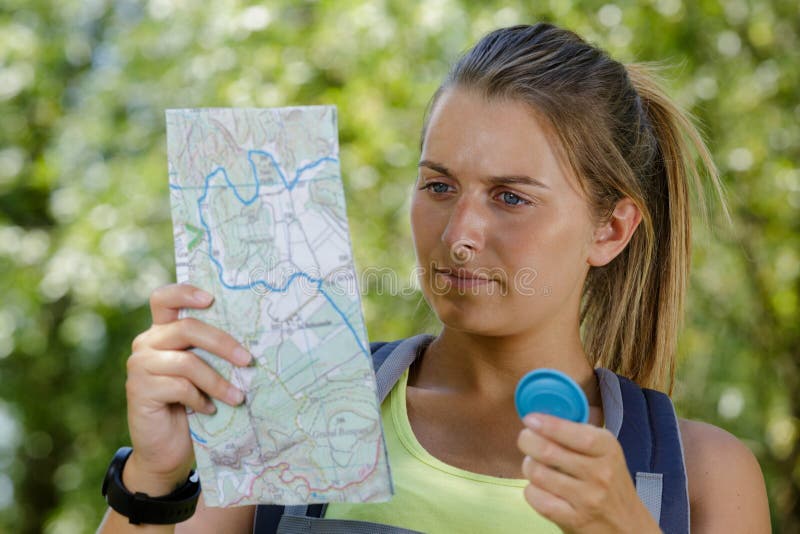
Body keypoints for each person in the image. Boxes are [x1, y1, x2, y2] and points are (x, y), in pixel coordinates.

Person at [98, 23, 771, 533]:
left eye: (511, 197)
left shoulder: (704, 476)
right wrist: (153, 475)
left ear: (611, 229)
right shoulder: (296, 412)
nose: (458, 235)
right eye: (439, 185)